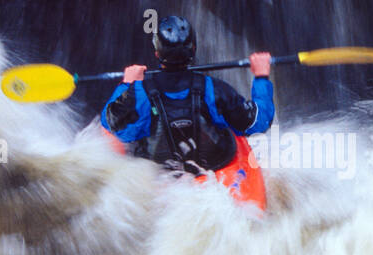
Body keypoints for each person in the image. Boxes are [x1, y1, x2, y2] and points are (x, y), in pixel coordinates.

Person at [100, 14, 274, 174]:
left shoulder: (139, 92)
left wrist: (127, 84)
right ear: (193, 49)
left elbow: (111, 124)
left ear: (157, 54)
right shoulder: (214, 89)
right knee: (230, 127)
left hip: (162, 174)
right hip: (213, 168)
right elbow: (258, 123)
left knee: (131, 136)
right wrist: (261, 76)